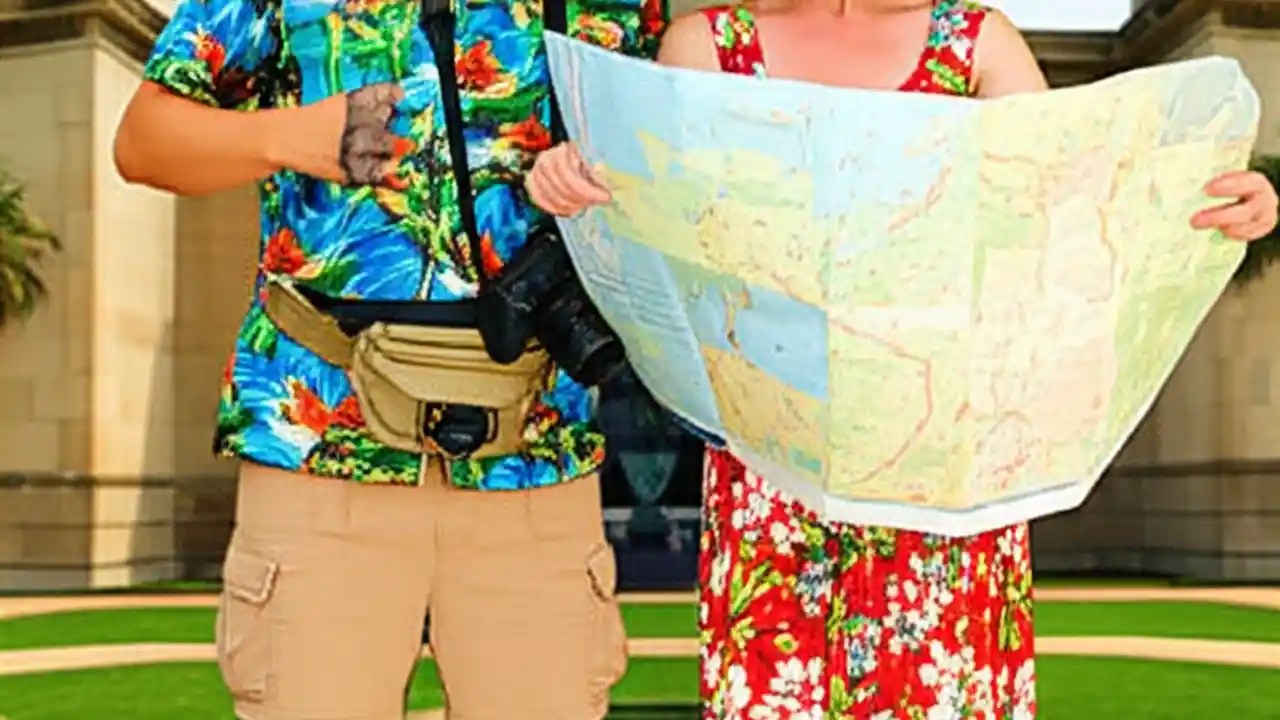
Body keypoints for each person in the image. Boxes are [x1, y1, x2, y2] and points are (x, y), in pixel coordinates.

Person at [526, 0, 1280, 717]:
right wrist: (572, 183)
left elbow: (1070, 222)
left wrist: (1208, 206)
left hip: (944, 487)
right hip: (774, 486)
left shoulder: (978, 42)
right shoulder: (706, 46)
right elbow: (653, 225)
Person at [113, 0, 666, 718]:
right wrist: (291, 136)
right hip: (321, 460)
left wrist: (611, 180)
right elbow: (144, 141)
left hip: (536, 464)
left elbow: (681, 166)